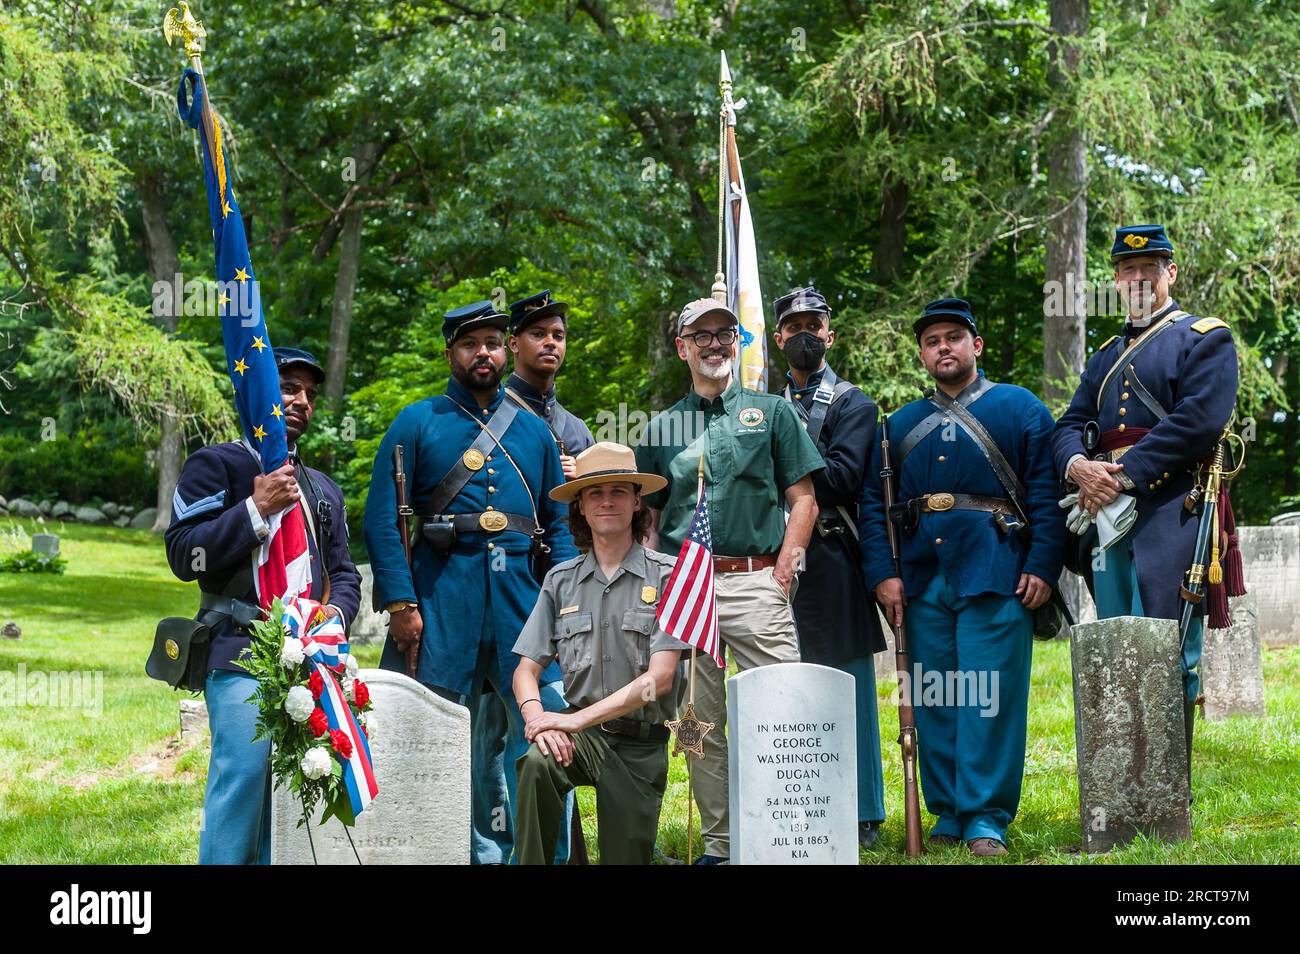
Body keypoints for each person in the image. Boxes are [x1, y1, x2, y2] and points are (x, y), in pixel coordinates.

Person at [362, 301, 578, 865]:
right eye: (469, 344)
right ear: (449, 353)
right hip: (438, 610)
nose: (483, 353)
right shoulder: (417, 421)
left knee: (551, 738)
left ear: (505, 351)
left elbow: (558, 526)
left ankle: (544, 857)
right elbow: (382, 518)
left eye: (492, 343)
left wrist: (570, 607)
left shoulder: (533, 431)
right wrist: (402, 602)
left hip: (524, 615)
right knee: (423, 745)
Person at [858, 299, 1065, 857]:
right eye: (932, 341)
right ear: (923, 355)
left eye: (953, 337)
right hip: (924, 581)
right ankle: (947, 809)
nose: (943, 347)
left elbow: (1046, 492)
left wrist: (1043, 564)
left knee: (989, 701)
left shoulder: (1020, 410)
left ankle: (984, 817)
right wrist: (883, 574)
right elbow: (876, 509)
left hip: (999, 573)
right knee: (934, 698)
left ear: (976, 345)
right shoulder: (897, 424)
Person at [635, 295, 823, 864]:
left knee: (782, 712)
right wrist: (653, 586)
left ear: (737, 341)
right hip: (686, 590)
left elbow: (804, 498)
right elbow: (648, 518)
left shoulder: (772, 412)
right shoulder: (661, 428)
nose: (714, 343)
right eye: (702, 335)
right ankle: (719, 844)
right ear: (683, 348)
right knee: (699, 724)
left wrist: (787, 566)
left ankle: (785, 840)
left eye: (724, 333)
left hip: (756, 582)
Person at [1053, 224, 1239, 789]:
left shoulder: (1204, 338)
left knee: (1169, 649)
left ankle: (1165, 790)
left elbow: (1198, 421)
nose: (1138, 280)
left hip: (1173, 512)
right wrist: (1078, 467)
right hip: (1107, 518)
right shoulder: (1106, 355)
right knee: (1117, 647)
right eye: (1128, 271)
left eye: (1149, 270)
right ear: (1115, 279)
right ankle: (1123, 784)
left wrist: (1123, 476)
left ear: (1170, 274)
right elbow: (1067, 425)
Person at [165, 346, 361, 865]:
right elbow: (185, 554)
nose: (301, 401)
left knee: (293, 792)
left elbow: (343, 573)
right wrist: (255, 509)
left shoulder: (321, 488)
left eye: (310, 395)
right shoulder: (217, 465)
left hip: (311, 658)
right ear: (258, 393)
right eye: (288, 389)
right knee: (246, 777)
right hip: (237, 649)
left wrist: (332, 618)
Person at [511, 442, 685, 864]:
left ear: (636, 501)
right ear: (581, 508)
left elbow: (659, 680)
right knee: (537, 764)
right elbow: (524, 670)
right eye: (595, 493)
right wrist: (539, 722)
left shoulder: (667, 577)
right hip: (580, 738)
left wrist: (572, 720)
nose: (607, 501)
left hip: (639, 745)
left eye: (618, 491)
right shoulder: (560, 581)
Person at [469, 288, 596, 863]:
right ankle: (494, 848)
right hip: (503, 589)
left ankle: (556, 849)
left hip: (560, 595)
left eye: (560, 334)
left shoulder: (573, 426)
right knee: (491, 733)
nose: (551, 342)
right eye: (538, 333)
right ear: (513, 343)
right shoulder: (493, 413)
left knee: (554, 729)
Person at [772, 285, 888, 850]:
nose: (803, 335)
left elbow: (843, 477)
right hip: (772, 559)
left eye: (812, 325)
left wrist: (773, 465)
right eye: (793, 327)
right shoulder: (765, 404)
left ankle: (863, 807)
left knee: (848, 684)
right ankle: (797, 801)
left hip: (833, 558)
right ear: (778, 338)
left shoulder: (853, 404)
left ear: (829, 333)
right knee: (785, 686)